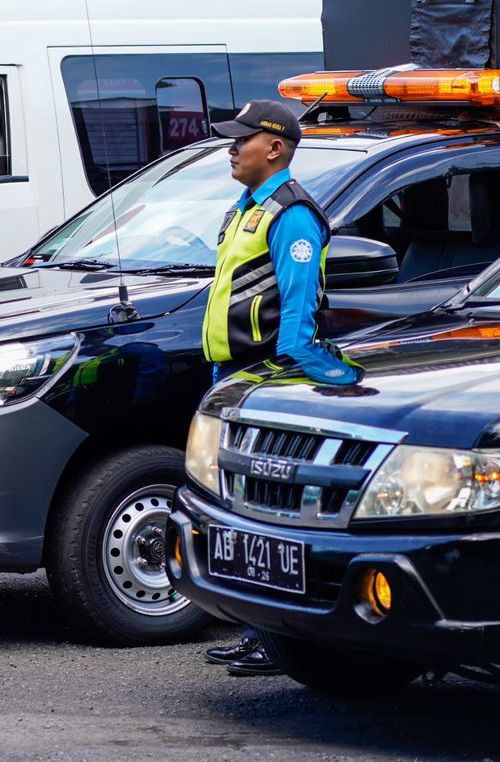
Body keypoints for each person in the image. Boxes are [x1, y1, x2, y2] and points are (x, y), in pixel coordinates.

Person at [199, 99, 361, 677]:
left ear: (274, 148)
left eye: (240, 139)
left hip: (264, 379)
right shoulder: (247, 207)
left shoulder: (292, 215)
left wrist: (294, 378)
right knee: (235, 509)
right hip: (232, 378)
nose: (230, 148)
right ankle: (257, 632)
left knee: (267, 513)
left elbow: (296, 318)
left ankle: (274, 640)